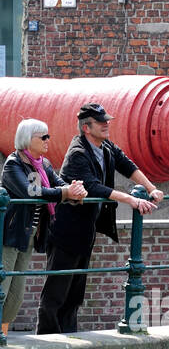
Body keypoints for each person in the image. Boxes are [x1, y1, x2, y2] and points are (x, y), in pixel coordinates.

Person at [36, 102, 163, 334]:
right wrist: (131, 200)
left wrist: (151, 188)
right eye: (101, 121)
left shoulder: (105, 147)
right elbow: (93, 187)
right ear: (87, 127)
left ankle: (69, 340)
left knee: (75, 295)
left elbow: (126, 163)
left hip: (85, 231)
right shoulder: (78, 153)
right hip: (65, 231)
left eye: (106, 120)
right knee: (55, 294)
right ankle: (48, 341)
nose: (106, 124)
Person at [0, 120, 87, 335]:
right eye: (42, 137)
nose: (47, 141)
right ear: (27, 139)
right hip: (4, 234)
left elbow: (58, 184)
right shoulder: (13, 164)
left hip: (26, 236)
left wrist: (74, 189)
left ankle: (1, 334)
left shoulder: (42, 164)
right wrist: (66, 193)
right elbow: (31, 192)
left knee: (15, 293)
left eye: (47, 136)